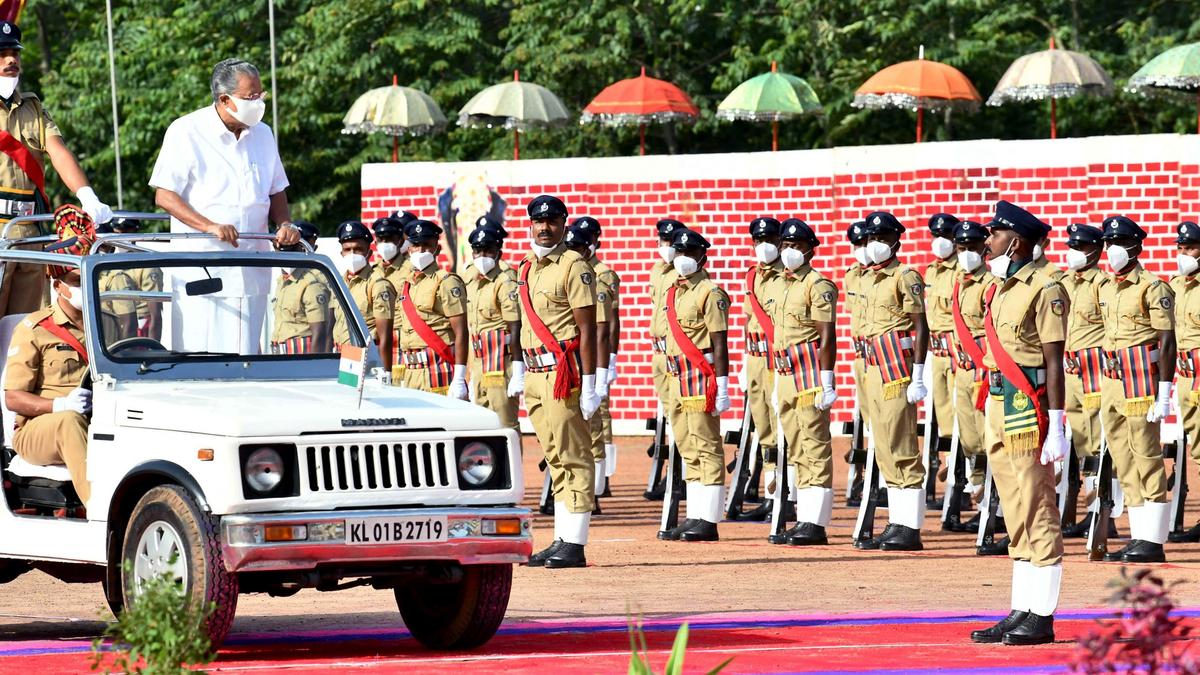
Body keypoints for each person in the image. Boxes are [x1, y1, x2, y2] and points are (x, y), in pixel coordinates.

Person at [149, 58, 299, 353]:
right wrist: (209, 226)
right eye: (250, 97)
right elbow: (164, 196)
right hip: (204, 270)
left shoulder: (264, 134)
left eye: (260, 95)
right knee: (202, 359)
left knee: (248, 357)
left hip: (252, 268)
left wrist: (285, 224)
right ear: (224, 99)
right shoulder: (187, 131)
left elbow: (276, 191)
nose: (258, 103)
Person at [969, 200, 1067, 646]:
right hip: (998, 402)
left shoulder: (1045, 288)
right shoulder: (998, 287)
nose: (988, 240)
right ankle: (1021, 607)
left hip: (1029, 406)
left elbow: (1054, 361)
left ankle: (1041, 615)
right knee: (1013, 505)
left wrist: (1057, 425)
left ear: (1017, 241)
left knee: (1036, 503)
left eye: (996, 233)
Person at [0, 21, 113, 319]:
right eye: (1, 54)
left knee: (24, 325)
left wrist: (87, 196)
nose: (11, 60)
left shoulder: (33, 108)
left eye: (14, 53)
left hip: (29, 231)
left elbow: (58, 152)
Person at [515, 195, 599, 569]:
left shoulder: (574, 266)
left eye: (552, 221)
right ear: (531, 224)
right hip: (535, 375)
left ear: (564, 224)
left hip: (563, 374)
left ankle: (575, 543)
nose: (544, 227)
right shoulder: (525, 267)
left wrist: (591, 383)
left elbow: (588, 329)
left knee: (574, 455)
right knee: (554, 456)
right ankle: (562, 538)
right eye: (538, 221)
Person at [3, 205, 98, 510]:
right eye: (77, 281)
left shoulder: (106, 326)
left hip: (96, 419)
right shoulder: (34, 329)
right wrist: (60, 405)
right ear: (58, 286)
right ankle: (101, 511)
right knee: (69, 422)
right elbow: (13, 398)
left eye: (89, 279)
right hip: (39, 428)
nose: (85, 288)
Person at [1097, 215, 1175, 563]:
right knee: (1123, 458)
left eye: (1119, 242)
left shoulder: (1152, 287)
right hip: (1112, 380)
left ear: (1136, 246)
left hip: (1141, 380)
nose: (1112, 249)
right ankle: (1138, 536)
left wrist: (1164, 393)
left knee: (1146, 454)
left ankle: (1153, 540)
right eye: (1109, 242)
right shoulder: (1106, 286)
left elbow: (1167, 341)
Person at [854, 211, 930, 551]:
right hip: (872, 366)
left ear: (896, 241)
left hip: (896, 368)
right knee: (883, 445)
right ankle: (897, 521)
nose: (875, 244)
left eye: (882, 239)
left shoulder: (905, 276)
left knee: (901, 444)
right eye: (872, 238)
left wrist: (918, 374)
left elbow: (921, 326)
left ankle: (910, 527)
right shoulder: (868, 277)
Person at [657, 226, 732, 542]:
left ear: (703, 256)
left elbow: (720, 343)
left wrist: (723, 385)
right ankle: (696, 514)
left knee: (706, 444)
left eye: (690, 252)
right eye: (680, 252)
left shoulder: (710, 292)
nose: (684, 257)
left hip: (700, 376)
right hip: (676, 376)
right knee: (687, 445)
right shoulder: (675, 291)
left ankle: (709, 519)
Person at [769, 219, 838, 545]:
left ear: (810, 250)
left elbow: (827, 336)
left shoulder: (817, 285)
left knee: (814, 445)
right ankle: (803, 516)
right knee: (796, 446)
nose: (790, 251)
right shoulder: (778, 284)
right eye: (786, 245)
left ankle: (815, 523)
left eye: (796, 246)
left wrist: (827, 381)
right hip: (784, 373)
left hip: (809, 374)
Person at [944, 221, 996, 535]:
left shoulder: (990, 283)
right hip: (962, 369)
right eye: (961, 248)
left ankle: (995, 506)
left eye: (971, 248)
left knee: (988, 436)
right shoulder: (958, 282)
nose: (966, 254)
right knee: (970, 439)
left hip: (982, 369)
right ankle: (981, 500)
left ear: (984, 250)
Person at [1059, 224, 1109, 538]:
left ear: (1095, 251)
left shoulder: (1101, 284)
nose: (1074, 252)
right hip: (1069, 371)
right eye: (1072, 246)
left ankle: (1102, 514)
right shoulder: (1063, 282)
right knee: (1080, 443)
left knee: (1097, 443)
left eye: (1080, 247)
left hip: (1094, 370)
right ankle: (1089, 510)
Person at [737, 217, 785, 521]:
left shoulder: (786, 277)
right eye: (758, 241)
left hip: (777, 360)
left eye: (769, 240)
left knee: (783, 428)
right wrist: (745, 360)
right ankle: (771, 495)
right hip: (755, 359)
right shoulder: (752, 276)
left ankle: (786, 496)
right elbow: (747, 321)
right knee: (765, 429)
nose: (763, 246)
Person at [563, 222, 612, 507]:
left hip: (586, 361)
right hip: (564, 362)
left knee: (592, 427)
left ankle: (595, 490)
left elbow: (601, 331)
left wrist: (601, 374)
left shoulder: (597, 280)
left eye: (578, 247)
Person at [571, 216, 621, 490]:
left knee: (598, 414)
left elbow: (609, 324)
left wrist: (609, 361)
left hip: (596, 356)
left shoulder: (602, 276)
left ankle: (602, 479)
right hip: (574, 356)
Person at [394, 219, 468, 398]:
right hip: (410, 371)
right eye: (416, 245)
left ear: (437, 249)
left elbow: (461, 332)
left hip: (437, 368)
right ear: (409, 249)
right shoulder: (407, 285)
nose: (420, 251)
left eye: (426, 245)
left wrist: (459, 377)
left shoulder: (447, 281)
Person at [464, 226, 521, 429]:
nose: (482, 256)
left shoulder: (505, 282)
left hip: (501, 363)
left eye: (488, 251)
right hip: (478, 362)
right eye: (478, 251)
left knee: (505, 425)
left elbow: (515, 327)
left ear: (498, 253)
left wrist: (518, 370)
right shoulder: (471, 282)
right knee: (482, 426)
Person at [647, 218, 686, 498]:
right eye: (663, 241)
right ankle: (675, 472)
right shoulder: (657, 271)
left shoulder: (683, 274)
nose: (667, 247)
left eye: (672, 242)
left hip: (676, 354)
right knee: (670, 417)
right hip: (659, 352)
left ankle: (681, 474)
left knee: (681, 415)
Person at [925, 214, 961, 495]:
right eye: (936, 236)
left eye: (945, 236)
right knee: (943, 412)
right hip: (936, 350)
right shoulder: (931, 272)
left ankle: (964, 474)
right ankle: (950, 462)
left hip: (957, 350)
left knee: (962, 411)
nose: (940, 241)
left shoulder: (961, 271)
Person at [330, 220, 395, 370]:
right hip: (338, 356)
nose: (352, 254)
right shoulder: (338, 283)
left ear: (369, 253)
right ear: (342, 253)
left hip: (362, 357)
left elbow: (385, 338)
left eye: (358, 249)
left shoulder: (377, 284)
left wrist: (386, 374)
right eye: (347, 249)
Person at [1170, 220, 1200, 543]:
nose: (1183, 254)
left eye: (1189, 248)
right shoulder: (1176, 285)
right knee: (1197, 446)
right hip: (1185, 375)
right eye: (1180, 248)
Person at [844, 221, 870, 504]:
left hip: (883, 358)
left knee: (881, 423)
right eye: (857, 245)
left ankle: (882, 479)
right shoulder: (851, 276)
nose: (861, 249)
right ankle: (862, 474)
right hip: (860, 355)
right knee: (864, 419)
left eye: (865, 244)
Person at [107, 217, 165, 340]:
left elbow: (155, 315)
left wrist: (153, 348)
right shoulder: (106, 258)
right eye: (117, 232)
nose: (120, 236)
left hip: (138, 327)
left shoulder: (146, 265)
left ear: (135, 232)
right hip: (110, 322)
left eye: (126, 232)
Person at [269, 241, 331, 354]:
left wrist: (313, 363)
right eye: (282, 253)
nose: (287, 257)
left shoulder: (311, 284)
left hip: (300, 355)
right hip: (280, 353)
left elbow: (319, 333)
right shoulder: (282, 281)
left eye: (292, 251)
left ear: (300, 250)